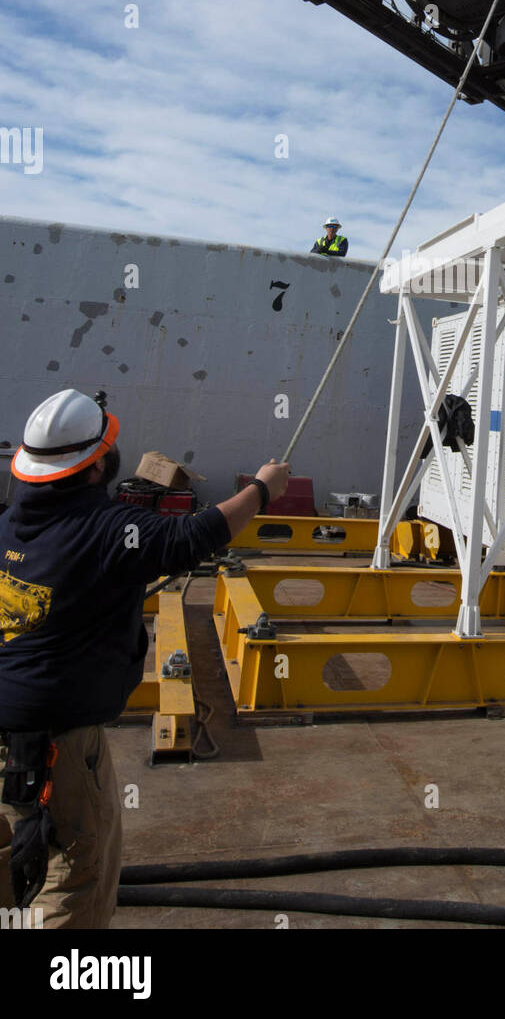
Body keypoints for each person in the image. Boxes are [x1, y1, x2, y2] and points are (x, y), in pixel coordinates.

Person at [0, 387, 289, 928]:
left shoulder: (12, 524)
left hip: (11, 731)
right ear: (98, 466)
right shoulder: (103, 528)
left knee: (8, 871)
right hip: (54, 748)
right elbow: (195, 535)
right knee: (72, 879)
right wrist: (261, 491)